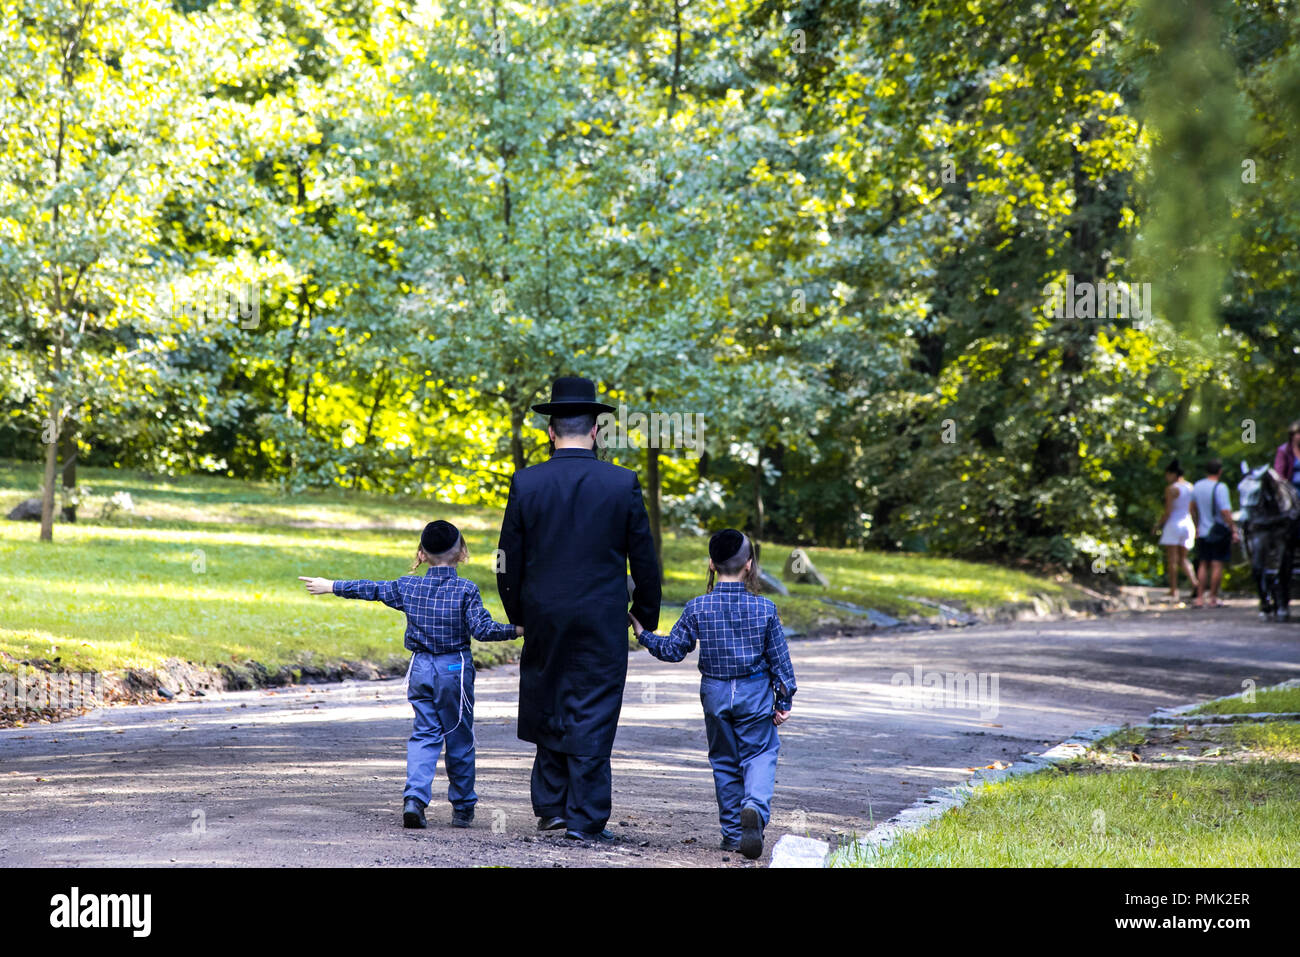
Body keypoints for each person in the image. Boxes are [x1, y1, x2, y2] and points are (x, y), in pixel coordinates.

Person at [496, 376, 662, 843]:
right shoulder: (621, 483)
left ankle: (551, 807)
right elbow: (644, 559)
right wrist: (644, 615)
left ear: (551, 431)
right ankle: (586, 816)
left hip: (543, 612)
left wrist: (517, 611)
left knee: (548, 696)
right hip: (601, 613)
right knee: (593, 704)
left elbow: (507, 557)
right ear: (595, 431)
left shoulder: (526, 482)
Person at [299, 520, 520, 830]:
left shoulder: (408, 586)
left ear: (422, 555)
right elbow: (483, 630)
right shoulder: (466, 589)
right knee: (458, 735)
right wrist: (518, 630)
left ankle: (414, 799)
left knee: (425, 733)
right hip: (453, 668)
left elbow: (372, 589)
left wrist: (331, 585)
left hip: (419, 669)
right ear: (462, 553)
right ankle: (463, 806)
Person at [630, 530, 796, 861]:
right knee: (760, 755)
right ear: (749, 566)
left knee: (724, 761)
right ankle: (754, 808)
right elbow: (781, 663)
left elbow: (674, 650)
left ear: (711, 564)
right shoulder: (765, 608)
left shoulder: (698, 607)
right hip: (754, 692)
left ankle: (734, 834)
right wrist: (783, 701)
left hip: (716, 692)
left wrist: (643, 634)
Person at [1190, 459, 1240, 608]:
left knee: (1203, 563)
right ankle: (1213, 598)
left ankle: (1199, 598)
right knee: (1217, 564)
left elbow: (1192, 508)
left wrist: (1197, 525)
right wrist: (1233, 529)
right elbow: (1225, 511)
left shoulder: (1197, 486)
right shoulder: (1220, 487)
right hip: (1218, 531)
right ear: (1220, 471)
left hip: (1203, 531)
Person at [1153, 459, 1198, 603]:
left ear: (1173, 474)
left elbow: (1168, 511)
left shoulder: (1171, 489)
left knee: (1172, 559)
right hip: (1188, 524)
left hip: (1174, 524)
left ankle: (1174, 590)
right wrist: (1196, 526)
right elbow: (1192, 510)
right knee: (1183, 559)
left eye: (1167, 475)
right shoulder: (1190, 487)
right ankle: (1195, 583)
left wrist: (1157, 525)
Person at [1272, 421, 1300, 492]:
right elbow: (1279, 473)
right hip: (1292, 489)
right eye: (1299, 433)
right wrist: (1285, 485)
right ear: (1292, 435)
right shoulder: (1284, 450)